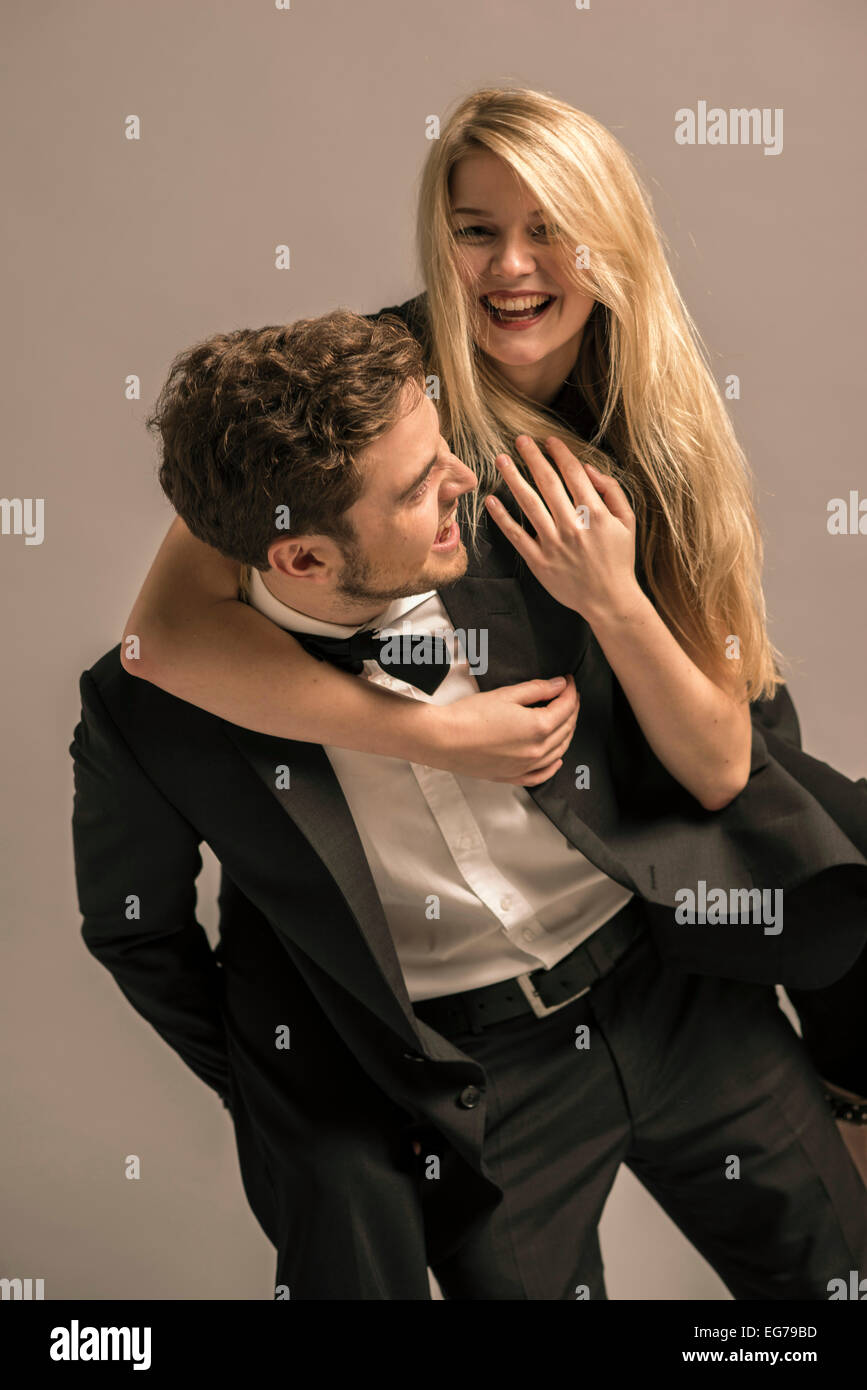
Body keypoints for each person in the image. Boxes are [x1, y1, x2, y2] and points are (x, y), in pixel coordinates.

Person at [72, 308, 867, 1299]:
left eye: (443, 446)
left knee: (836, 1284)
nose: (462, 477)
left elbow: (727, 724)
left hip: (678, 997)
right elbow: (136, 933)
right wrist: (296, 1098)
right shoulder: (150, 716)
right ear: (303, 559)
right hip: (485, 1088)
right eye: (418, 487)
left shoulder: (534, 521)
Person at [120, 87, 867, 1123]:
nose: (512, 268)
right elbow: (161, 634)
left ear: (609, 237)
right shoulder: (375, 390)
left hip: (693, 754)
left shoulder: (656, 388)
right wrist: (435, 734)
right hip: (575, 846)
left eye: (549, 230)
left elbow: (724, 750)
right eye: (478, 233)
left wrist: (612, 598)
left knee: (847, 916)